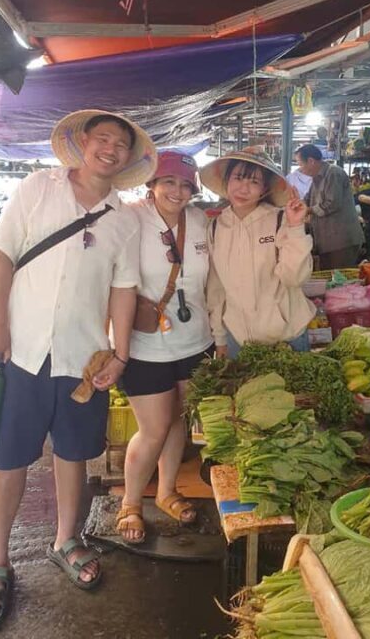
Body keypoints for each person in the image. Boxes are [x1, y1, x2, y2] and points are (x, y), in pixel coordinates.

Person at [0, 109, 156, 627]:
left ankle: (66, 540)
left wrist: (120, 353)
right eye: (103, 138)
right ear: (83, 143)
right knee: (10, 458)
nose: (110, 149)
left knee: (73, 453)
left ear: (128, 158)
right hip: (24, 350)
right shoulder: (38, 187)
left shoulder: (124, 219)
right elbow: (2, 256)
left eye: (121, 144)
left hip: (84, 357)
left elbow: (124, 290)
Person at [116, 151, 214, 544]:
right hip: (146, 345)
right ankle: (130, 502)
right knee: (153, 429)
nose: (178, 191)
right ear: (152, 184)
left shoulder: (199, 221)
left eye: (186, 185)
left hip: (196, 340)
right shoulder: (130, 218)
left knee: (178, 421)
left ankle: (167, 490)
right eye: (169, 182)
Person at [201, 146, 315, 359]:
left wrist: (295, 227)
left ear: (264, 189)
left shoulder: (280, 220)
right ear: (227, 181)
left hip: (286, 335)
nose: (244, 189)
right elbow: (216, 289)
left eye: (254, 182)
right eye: (238, 178)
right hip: (238, 339)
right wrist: (220, 338)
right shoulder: (216, 227)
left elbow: (294, 278)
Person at [295, 144, 364, 270]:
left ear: (311, 161)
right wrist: (296, 205)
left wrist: (307, 210)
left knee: (339, 278)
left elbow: (332, 204)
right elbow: (307, 200)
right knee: (329, 277)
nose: (300, 169)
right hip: (327, 242)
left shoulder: (333, 173)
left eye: (300, 164)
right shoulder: (316, 179)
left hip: (341, 242)